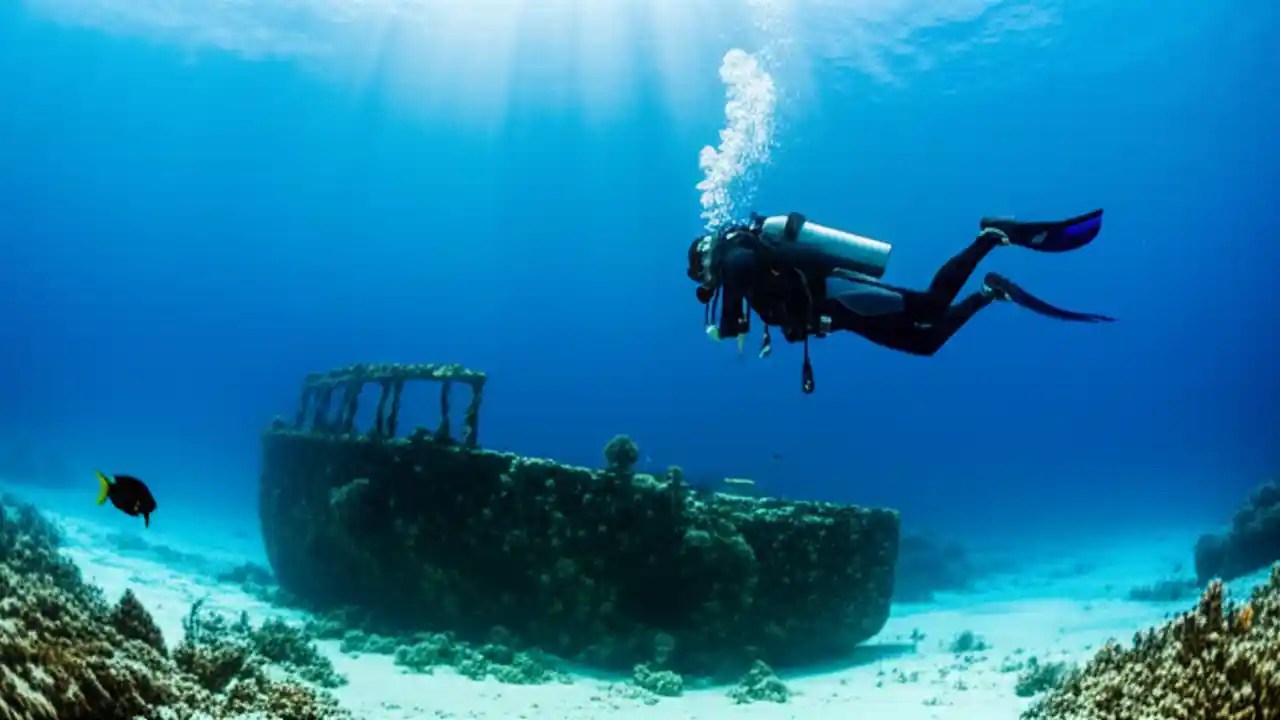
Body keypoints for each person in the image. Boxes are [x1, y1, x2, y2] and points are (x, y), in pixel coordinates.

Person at [687, 210, 1115, 393]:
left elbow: (743, 276)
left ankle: (989, 236)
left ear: (705, 258)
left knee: (930, 306)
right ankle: (990, 292)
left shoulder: (734, 257)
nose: (705, 282)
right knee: (924, 344)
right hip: (838, 316)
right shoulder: (735, 261)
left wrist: (727, 322)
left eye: (701, 274)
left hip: (838, 295)